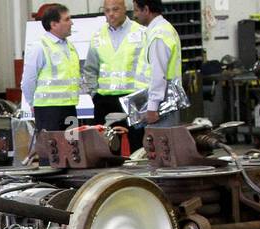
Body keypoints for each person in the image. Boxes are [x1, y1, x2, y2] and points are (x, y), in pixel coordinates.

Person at [83, 1, 144, 138]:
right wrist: (94, 94)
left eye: (115, 9)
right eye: (107, 10)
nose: (111, 14)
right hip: (104, 100)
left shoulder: (141, 33)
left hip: (132, 99)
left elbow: (148, 68)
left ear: (125, 9)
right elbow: (90, 69)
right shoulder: (97, 36)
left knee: (137, 144)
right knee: (105, 147)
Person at [21, 5, 80, 134]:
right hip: (48, 110)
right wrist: (33, 103)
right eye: (67, 19)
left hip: (70, 107)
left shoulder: (70, 47)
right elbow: (28, 80)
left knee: (72, 147)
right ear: (54, 24)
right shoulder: (39, 47)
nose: (71, 23)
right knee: (51, 150)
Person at [132, 0, 183, 128]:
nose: (135, 15)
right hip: (165, 101)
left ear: (146, 10)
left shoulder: (158, 36)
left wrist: (152, 107)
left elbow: (158, 74)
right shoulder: (163, 29)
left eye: (136, 10)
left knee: (161, 145)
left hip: (161, 107)